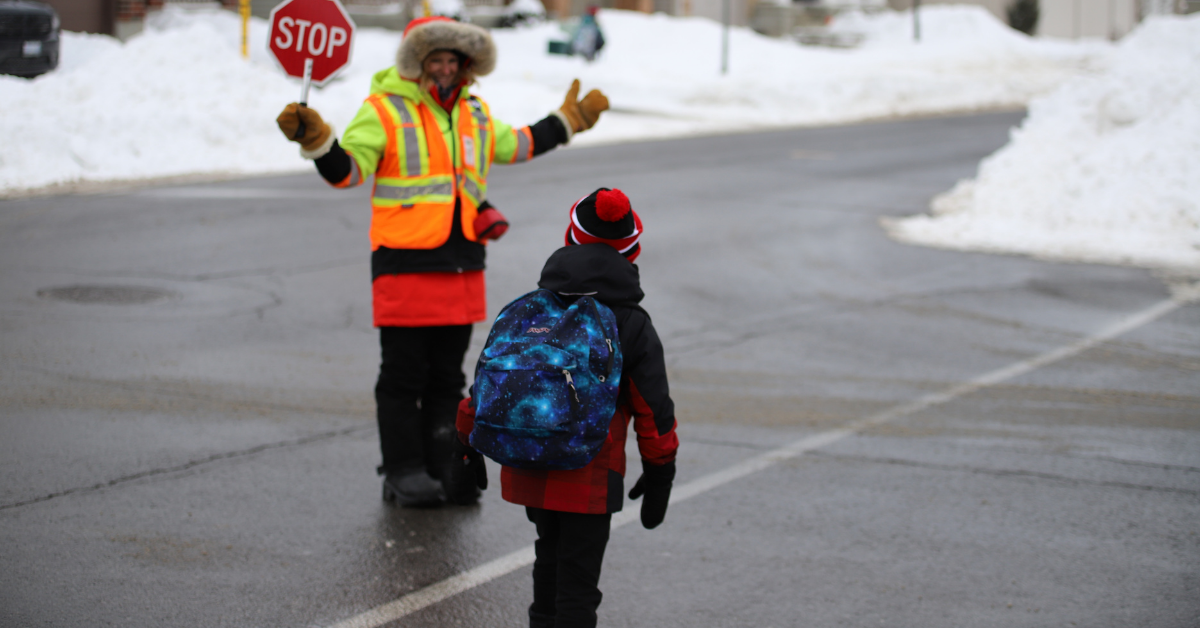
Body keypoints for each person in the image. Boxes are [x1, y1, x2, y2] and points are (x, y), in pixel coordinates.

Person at [275, 16, 611, 507]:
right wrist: (318, 140)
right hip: (405, 262)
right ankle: (403, 470)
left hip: (461, 264)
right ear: (418, 62)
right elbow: (348, 170)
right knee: (403, 377)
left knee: (449, 377)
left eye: (454, 60)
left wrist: (567, 122)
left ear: (466, 65)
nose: (446, 68)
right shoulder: (384, 110)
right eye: (437, 59)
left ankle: (442, 466)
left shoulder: (473, 112)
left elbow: (515, 143)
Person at [453, 188, 679, 628]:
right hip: (590, 472)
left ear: (571, 239)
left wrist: (465, 441)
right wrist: (660, 473)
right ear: (631, 252)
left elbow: (486, 383)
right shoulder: (630, 322)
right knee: (578, 586)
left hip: (528, 464)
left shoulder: (529, 308)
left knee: (549, 562)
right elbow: (653, 411)